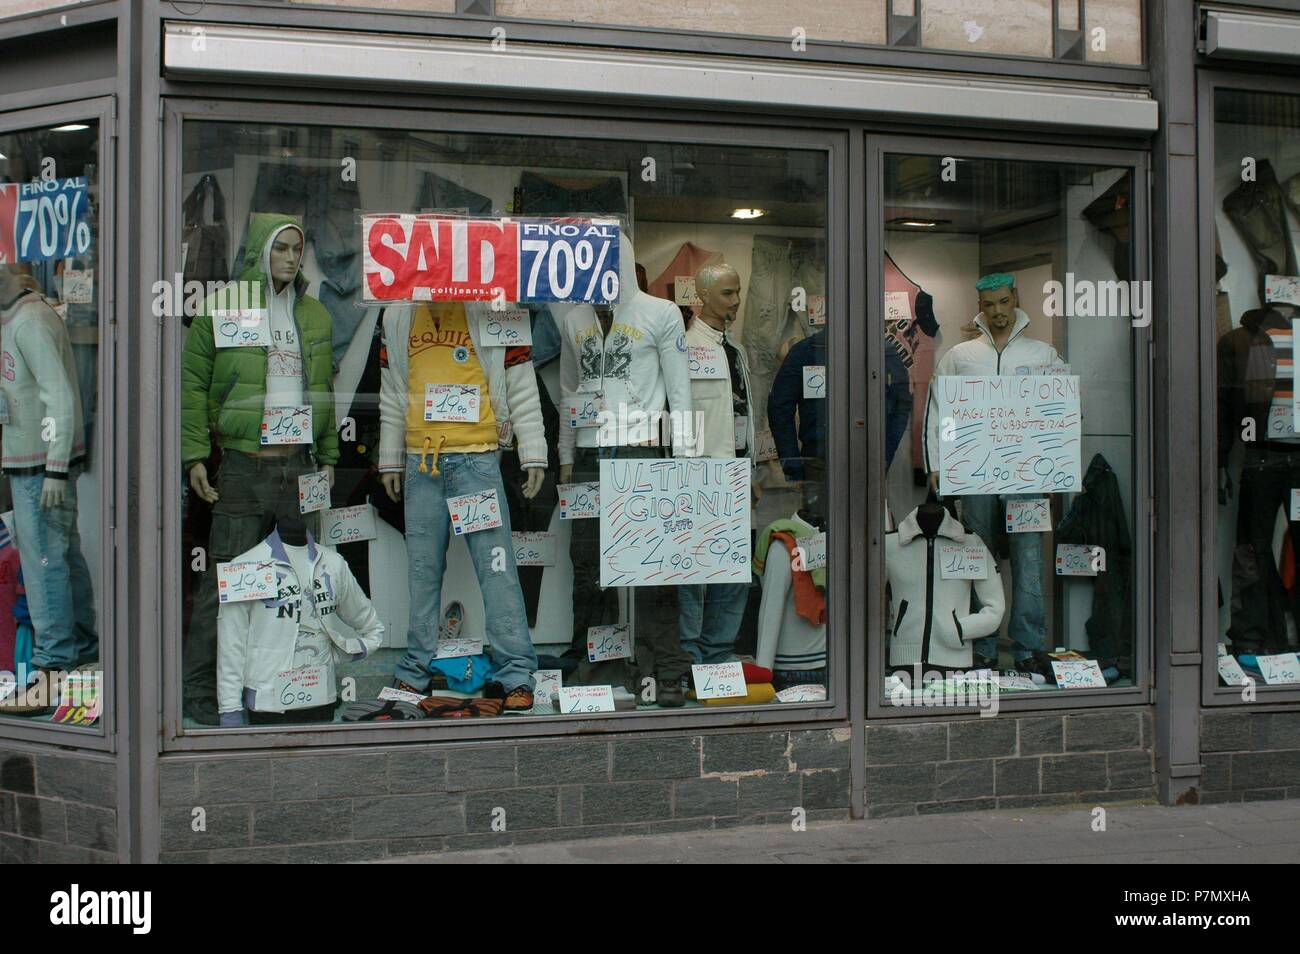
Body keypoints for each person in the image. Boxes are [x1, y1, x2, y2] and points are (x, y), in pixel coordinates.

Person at [180, 214, 339, 725]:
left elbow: (325, 392)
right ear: (260, 251)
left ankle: (291, 686)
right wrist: (196, 456)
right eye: (282, 249)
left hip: (298, 465)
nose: (292, 258)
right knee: (228, 581)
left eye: (298, 248)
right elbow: (193, 388)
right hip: (244, 465)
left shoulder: (314, 315)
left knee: (298, 580)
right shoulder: (222, 307)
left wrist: (329, 456)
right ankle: (200, 692)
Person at [924, 272, 1063, 669]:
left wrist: (1057, 468)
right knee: (977, 558)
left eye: (1004, 302)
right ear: (980, 305)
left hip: (1028, 476)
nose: (998, 312)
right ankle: (981, 648)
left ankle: (1028, 649)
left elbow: (1063, 414)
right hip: (975, 473)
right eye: (990, 304)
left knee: (1029, 559)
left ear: (1015, 298)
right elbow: (938, 412)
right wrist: (937, 463)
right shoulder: (960, 356)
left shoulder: (1043, 355)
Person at [679, 263, 756, 665]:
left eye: (738, 291)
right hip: (700, 472)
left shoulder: (736, 350)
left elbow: (743, 411)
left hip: (736, 470)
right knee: (693, 567)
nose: (736, 301)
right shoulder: (687, 348)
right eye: (727, 293)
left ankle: (719, 649)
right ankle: (691, 653)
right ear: (703, 296)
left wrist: (754, 466)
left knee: (734, 565)